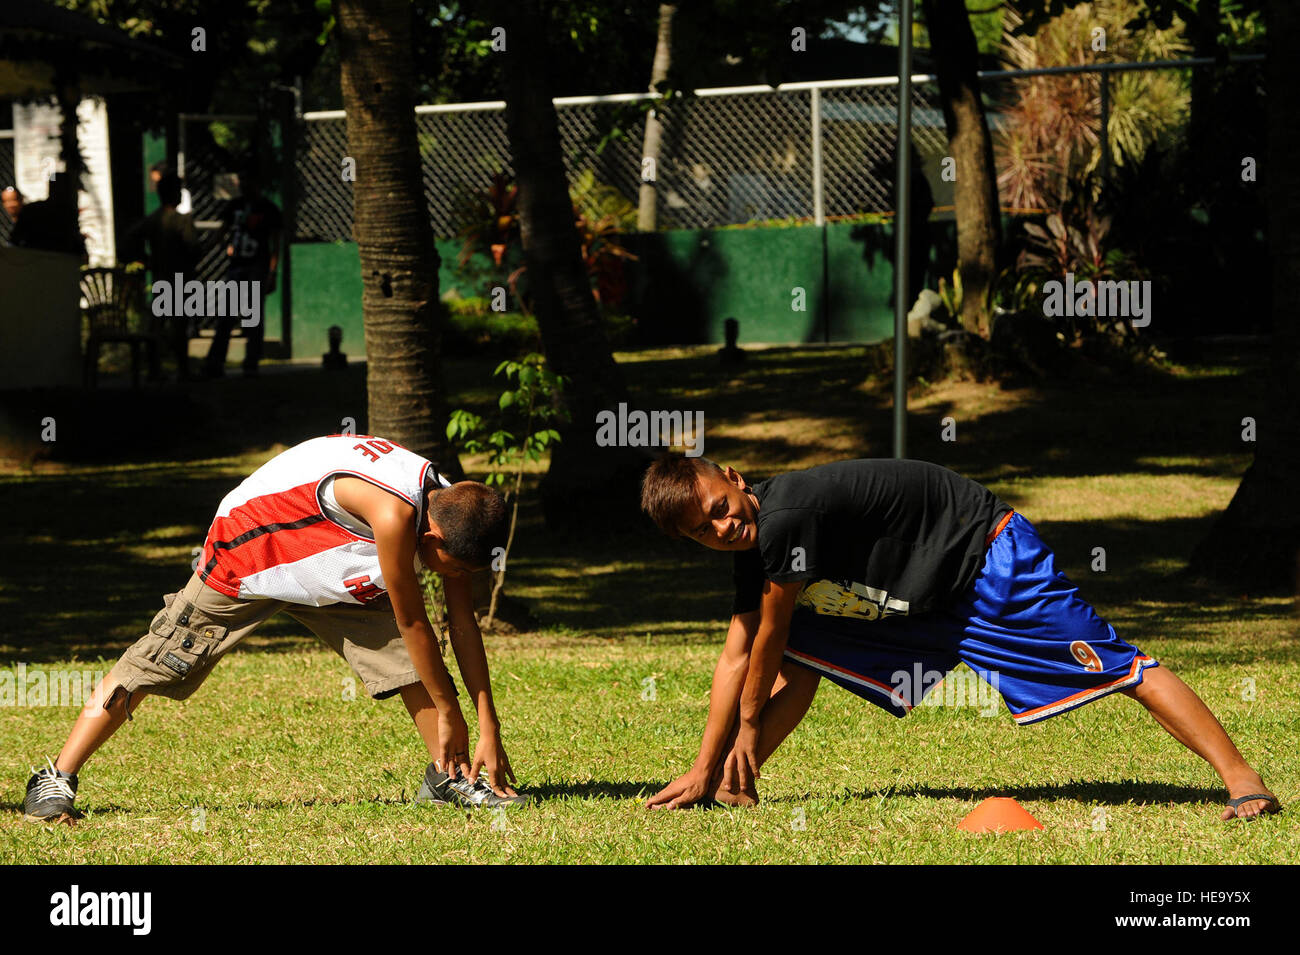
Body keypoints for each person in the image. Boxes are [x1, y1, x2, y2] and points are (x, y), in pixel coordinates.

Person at [639, 454, 1281, 821]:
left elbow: (768, 637)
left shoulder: (786, 515)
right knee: (804, 647)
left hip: (987, 561)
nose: (721, 528)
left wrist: (747, 726)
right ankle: (730, 784)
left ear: (733, 476)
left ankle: (1242, 779)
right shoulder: (756, 547)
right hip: (917, 598)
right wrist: (700, 765)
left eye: (719, 508)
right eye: (702, 530)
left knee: (1117, 666)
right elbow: (736, 656)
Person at [24, 434, 527, 824]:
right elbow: (414, 619)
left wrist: (488, 726)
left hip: (332, 561)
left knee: (406, 661)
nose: (458, 580)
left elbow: (462, 626)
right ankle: (56, 778)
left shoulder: (456, 508)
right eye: (457, 571)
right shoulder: (396, 517)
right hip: (255, 549)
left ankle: (451, 776)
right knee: (158, 660)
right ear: (433, 537)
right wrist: (449, 710)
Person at [203, 169, 282, 378]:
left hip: (257, 267)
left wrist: (272, 272)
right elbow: (222, 231)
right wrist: (205, 247)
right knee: (227, 315)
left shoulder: (269, 209)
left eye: (249, 180)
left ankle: (251, 362)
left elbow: (275, 244)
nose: (245, 185)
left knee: (253, 317)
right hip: (237, 267)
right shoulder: (235, 206)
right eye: (243, 180)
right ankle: (215, 362)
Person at [124, 173, 198, 379]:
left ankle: (154, 370)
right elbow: (193, 247)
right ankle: (182, 369)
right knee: (179, 326)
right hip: (180, 278)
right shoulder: (181, 221)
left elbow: (130, 236)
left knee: (158, 324)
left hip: (161, 277)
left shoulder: (154, 219)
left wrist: (145, 260)